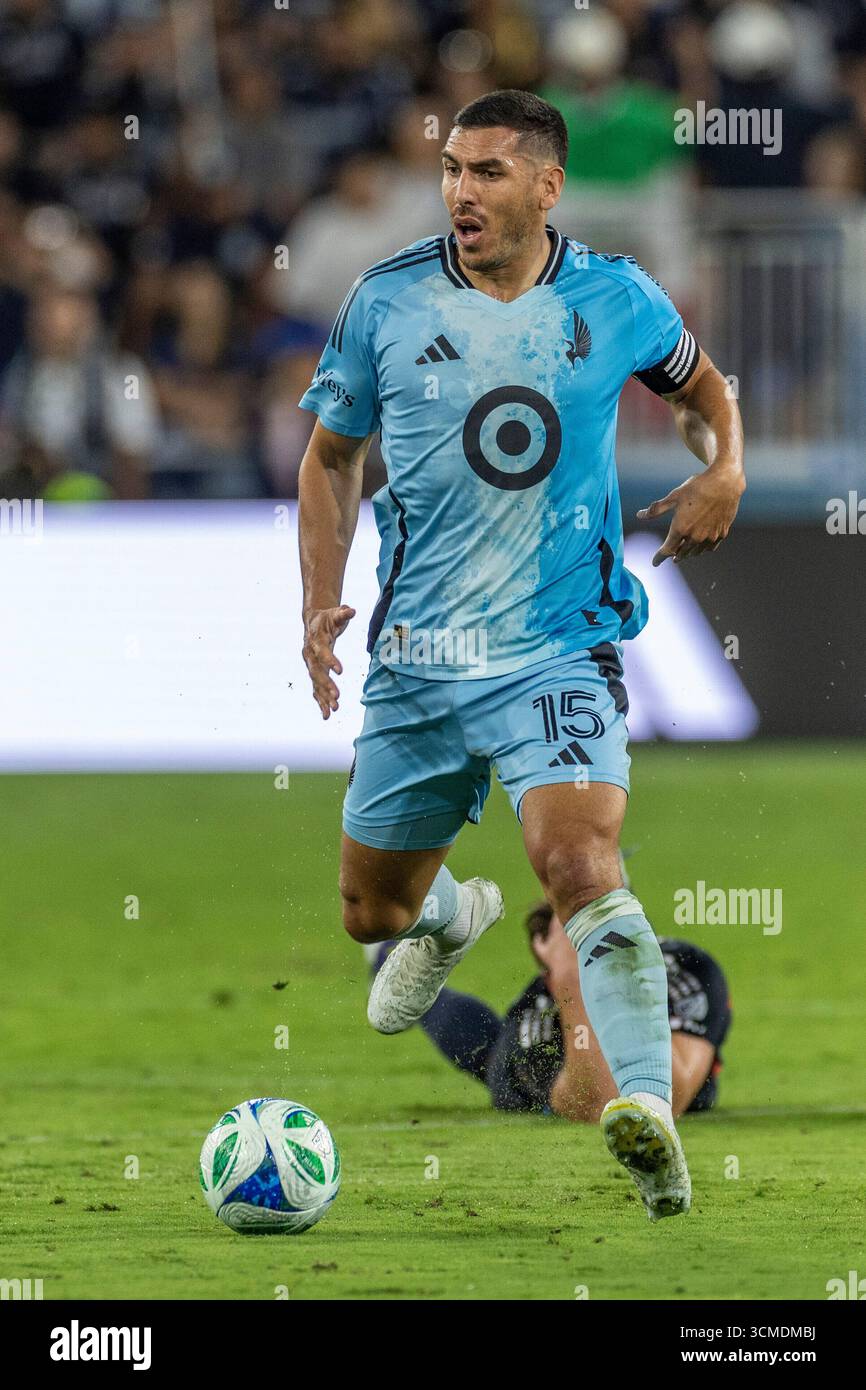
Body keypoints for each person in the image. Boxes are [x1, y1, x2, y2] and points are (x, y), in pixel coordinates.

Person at [297, 89, 745, 1221]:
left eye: (487, 171)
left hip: (557, 648)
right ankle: (451, 915)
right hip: (417, 659)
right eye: (452, 168)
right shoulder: (385, 300)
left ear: (548, 187)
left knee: (582, 865)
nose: (461, 191)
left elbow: (703, 391)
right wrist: (317, 603)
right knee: (370, 914)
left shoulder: (615, 297)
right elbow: (331, 458)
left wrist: (724, 465)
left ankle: (645, 1112)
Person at [369, 897, 732, 1125]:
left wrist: (618, 977)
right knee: (488, 1054)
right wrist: (573, 978)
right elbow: (598, 1104)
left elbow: (670, 1098)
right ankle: (391, 963)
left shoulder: (687, 969)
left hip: (570, 1001)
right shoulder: (536, 1031)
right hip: (536, 1062)